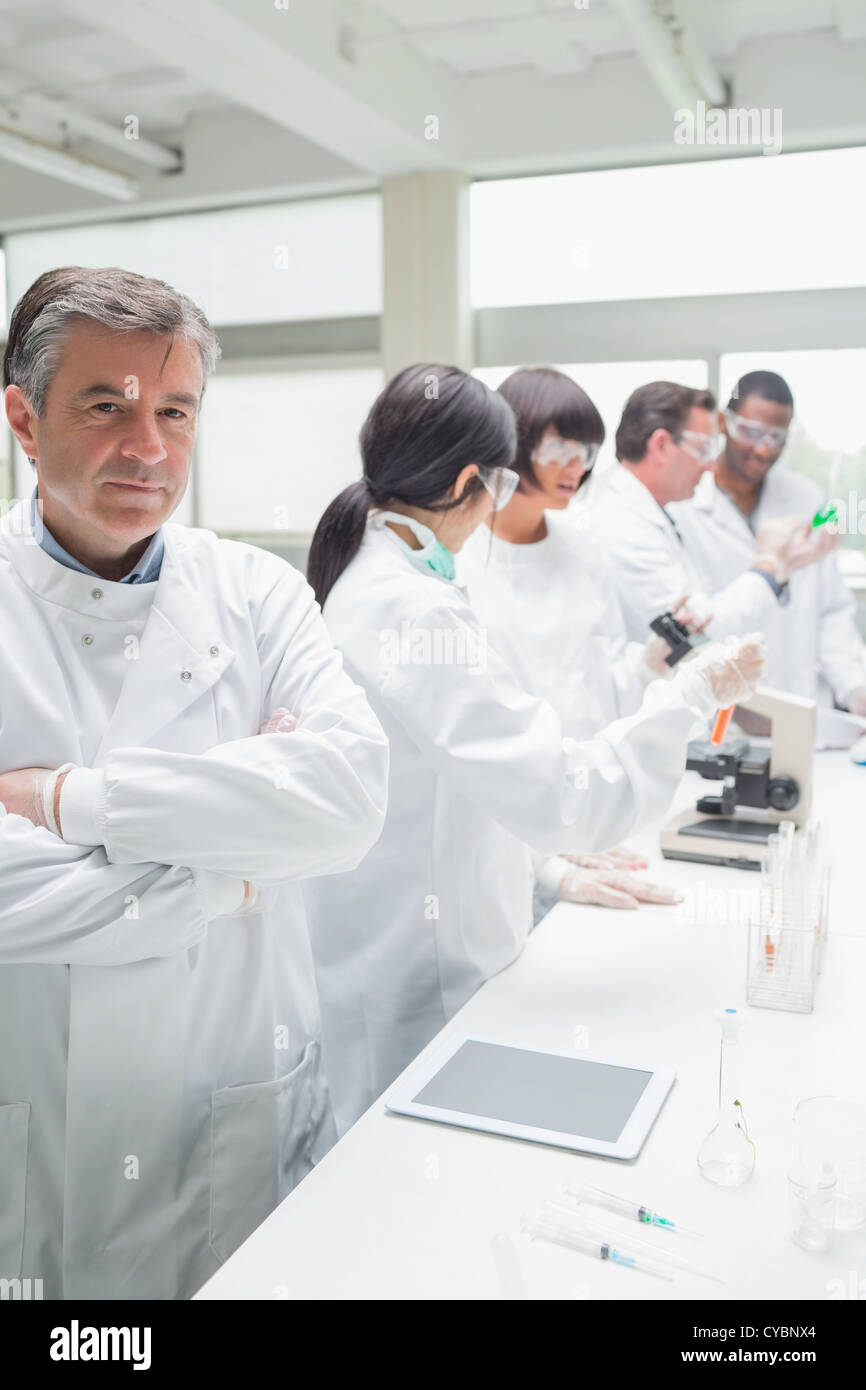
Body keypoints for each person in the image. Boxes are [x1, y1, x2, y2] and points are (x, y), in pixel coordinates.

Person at [0, 267, 389, 1300]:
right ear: (23, 421)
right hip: (37, 1125)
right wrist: (236, 870)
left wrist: (64, 802)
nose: (149, 446)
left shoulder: (257, 591)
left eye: (175, 409)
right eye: (106, 405)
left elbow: (348, 800)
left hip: (226, 1109)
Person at [303, 363, 765, 1137]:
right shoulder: (412, 610)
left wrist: (543, 866)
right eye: (503, 484)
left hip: (418, 945)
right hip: (421, 973)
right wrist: (692, 694)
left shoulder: (390, 581)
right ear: (468, 482)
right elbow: (562, 793)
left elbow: (468, 784)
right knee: (408, 1176)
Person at [459, 366, 695, 913]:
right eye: (561, 449)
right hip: (502, 844)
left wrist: (646, 665)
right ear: (512, 445)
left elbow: (598, 685)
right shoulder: (464, 559)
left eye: (587, 453)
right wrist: (546, 857)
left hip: (585, 819)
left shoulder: (583, 549)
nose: (576, 469)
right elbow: (471, 741)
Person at [581, 381, 837, 647]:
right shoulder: (620, 524)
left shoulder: (651, 514)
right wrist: (769, 567)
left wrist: (783, 565)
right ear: (661, 446)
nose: (710, 464)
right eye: (703, 448)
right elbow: (695, 633)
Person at [669, 370, 866, 711]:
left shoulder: (806, 500)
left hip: (794, 699)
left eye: (777, 437)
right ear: (722, 423)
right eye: (751, 431)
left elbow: (830, 611)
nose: (763, 448)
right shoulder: (683, 506)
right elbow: (691, 621)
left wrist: (856, 688)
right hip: (717, 713)